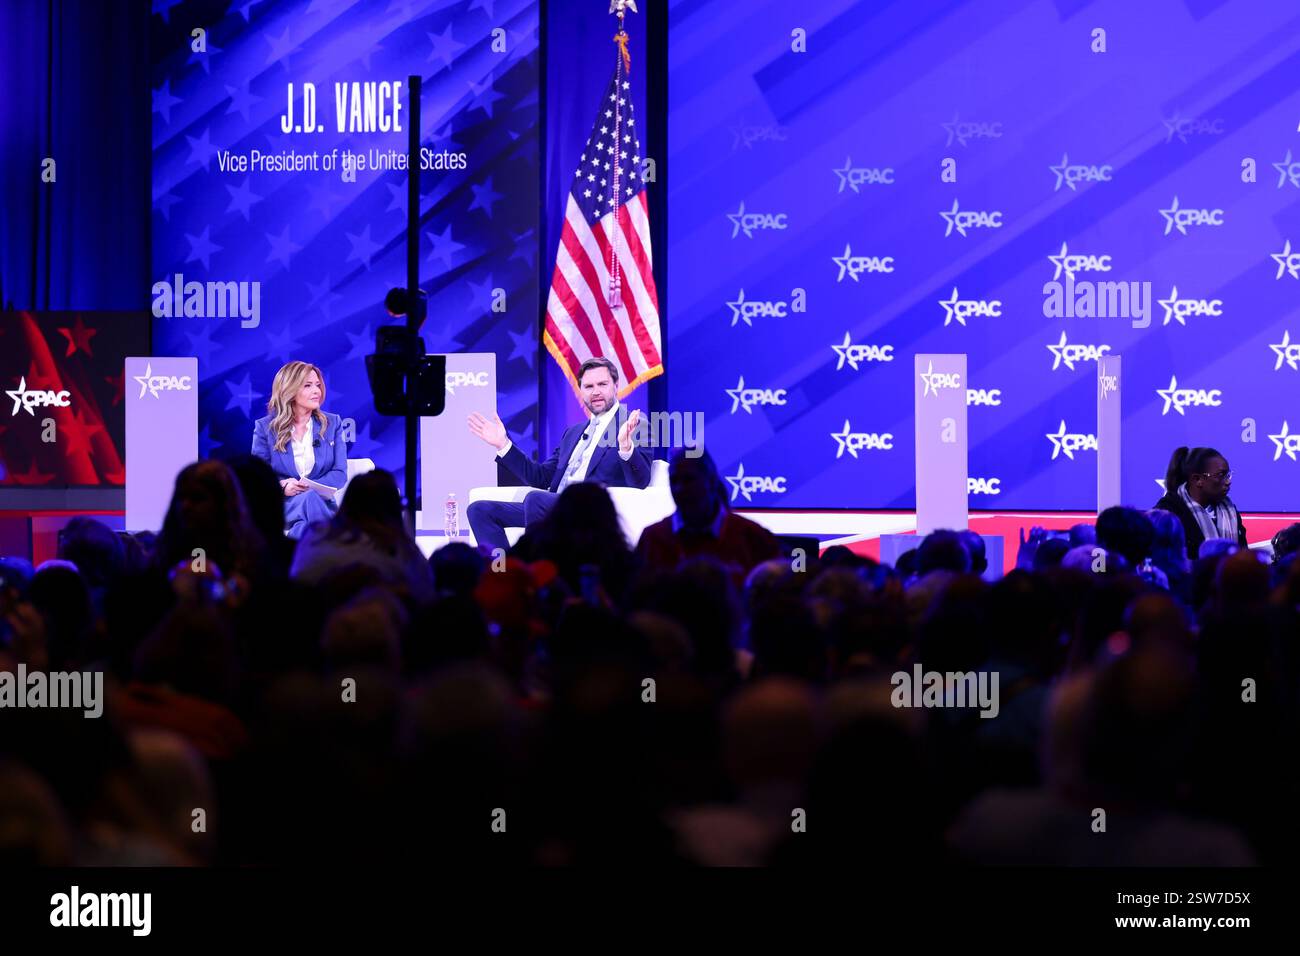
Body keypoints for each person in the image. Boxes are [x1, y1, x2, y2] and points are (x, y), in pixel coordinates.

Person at [465, 356, 651, 552]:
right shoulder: (573, 433)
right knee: (479, 510)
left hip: (589, 509)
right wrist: (503, 444)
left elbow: (640, 481)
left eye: (602, 384)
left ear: (615, 386)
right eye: (588, 387)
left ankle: (537, 571)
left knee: (535, 499)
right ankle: (502, 572)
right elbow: (540, 478)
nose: (595, 391)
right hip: (552, 505)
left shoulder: (634, 425)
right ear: (581, 391)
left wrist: (625, 447)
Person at [635, 448, 780, 584]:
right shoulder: (653, 539)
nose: (679, 489)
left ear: (710, 481)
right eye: (674, 481)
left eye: (688, 480)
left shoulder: (751, 537)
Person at [251, 361, 348, 540]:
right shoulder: (265, 428)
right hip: (283, 505)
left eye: (318, 385)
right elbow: (258, 477)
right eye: (308, 385)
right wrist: (283, 486)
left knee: (302, 529)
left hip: (320, 504)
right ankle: (339, 544)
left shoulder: (332, 424)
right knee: (309, 498)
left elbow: (340, 473)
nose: (317, 391)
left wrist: (309, 486)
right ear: (290, 389)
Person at [1154, 447, 1247, 560]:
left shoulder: (1230, 510)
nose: (1228, 482)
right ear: (1198, 479)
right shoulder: (1169, 512)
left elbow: (1243, 553)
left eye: (1228, 475)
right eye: (1221, 475)